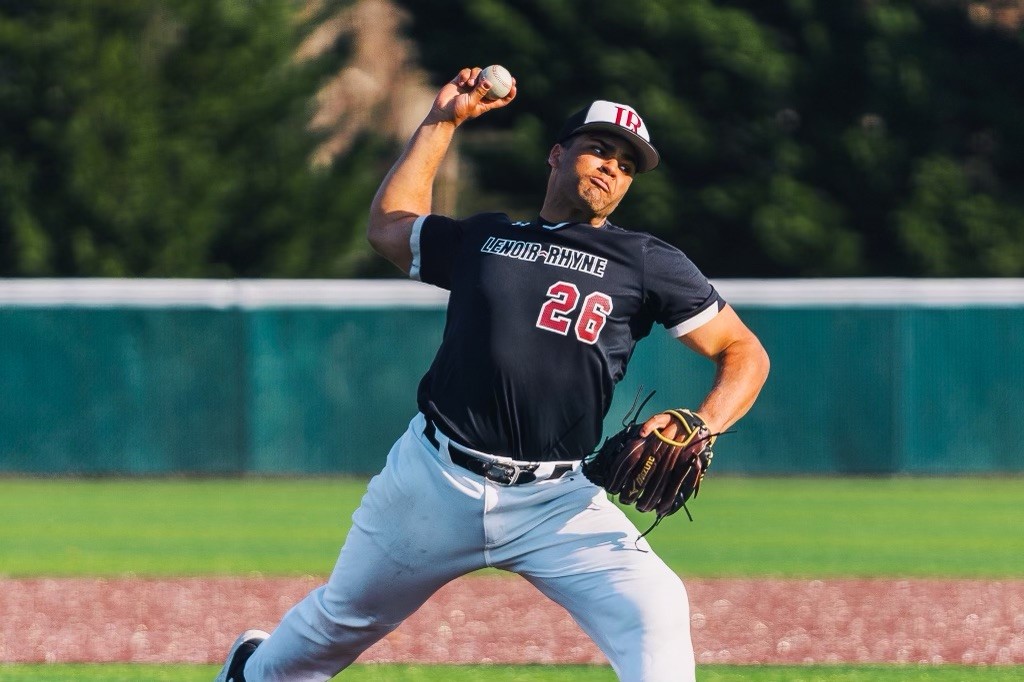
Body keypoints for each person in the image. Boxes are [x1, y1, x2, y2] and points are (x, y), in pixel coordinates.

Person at [216, 66, 770, 682]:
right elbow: (389, 227)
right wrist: (441, 122)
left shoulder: (644, 261)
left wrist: (704, 421)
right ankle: (251, 670)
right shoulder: (487, 236)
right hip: (434, 479)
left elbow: (744, 351)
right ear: (556, 155)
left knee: (657, 608)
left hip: (556, 499)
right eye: (599, 149)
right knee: (336, 625)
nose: (612, 168)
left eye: (626, 165)